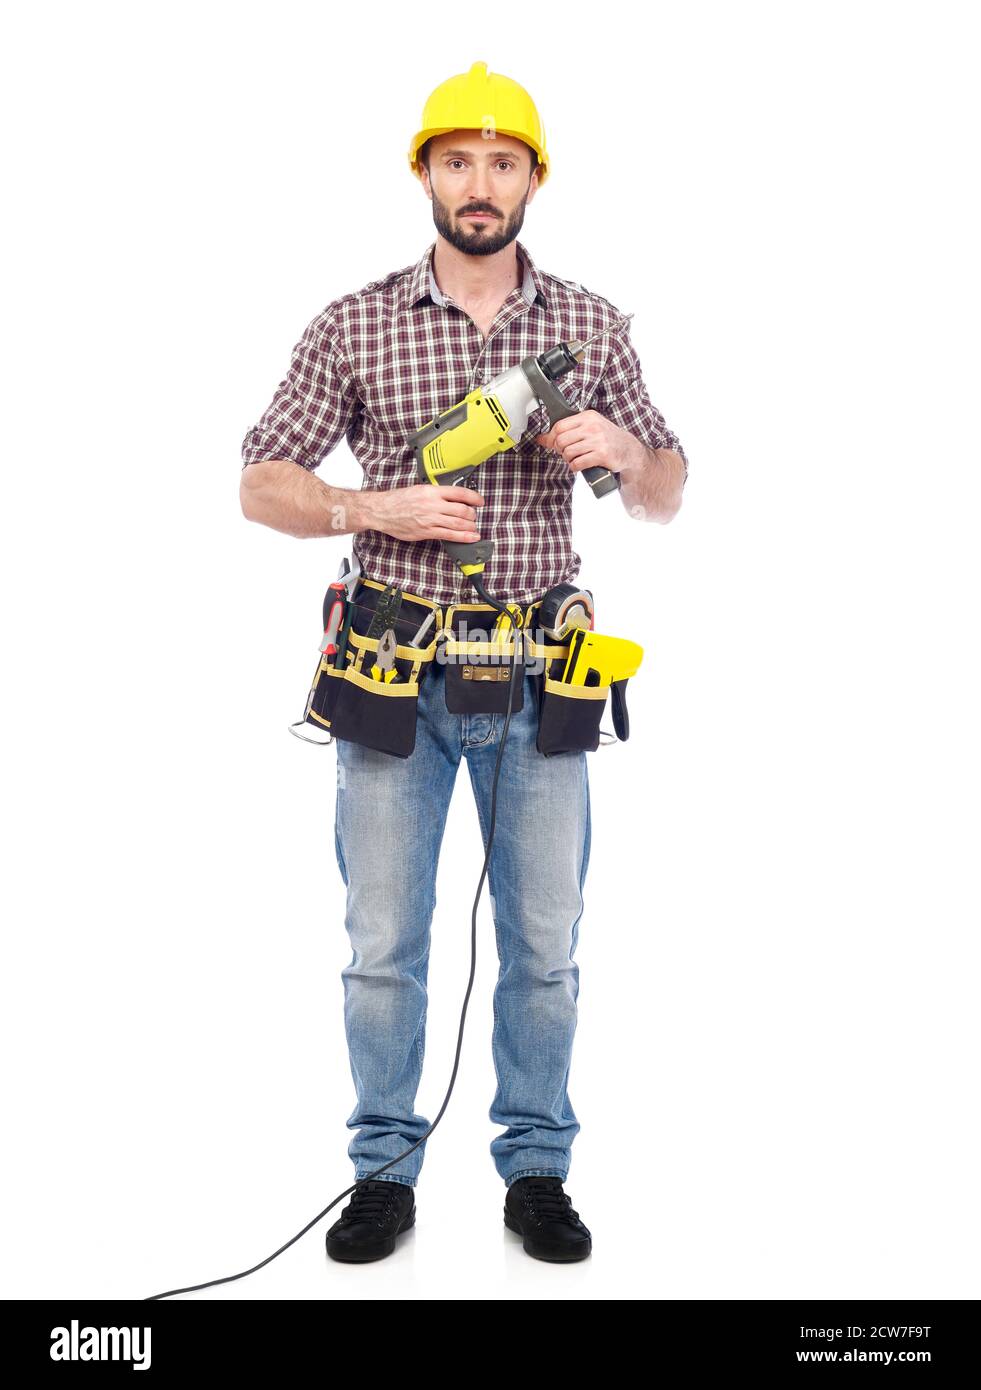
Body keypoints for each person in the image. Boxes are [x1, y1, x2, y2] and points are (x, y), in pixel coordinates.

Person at [239, 61, 687, 1265]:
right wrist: (370, 506)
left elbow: (667, 497)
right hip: (397, 678)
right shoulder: (355, 322)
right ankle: (382, 1170)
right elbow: (260, 480)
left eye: (501, 163)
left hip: (548, 682)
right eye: (455, 161)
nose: (478, 185)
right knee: (383, 945)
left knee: (546, 945)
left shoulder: (589, 325)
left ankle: (536, 1168)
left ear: (533, 178)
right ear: (426, 175)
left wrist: (629, 451)